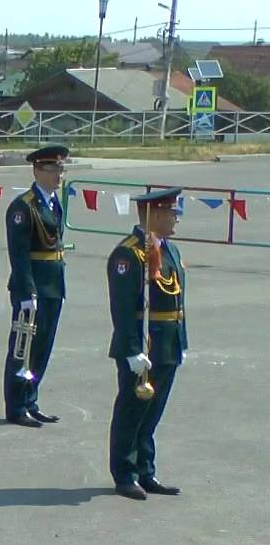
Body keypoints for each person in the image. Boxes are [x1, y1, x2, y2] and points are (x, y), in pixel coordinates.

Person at [106, 188, 187, 500]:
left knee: (152, 414)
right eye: (171, 212)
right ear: (154, 214)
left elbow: (177, 300)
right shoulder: (129, 254)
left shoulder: (170, 250)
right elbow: (123, 308)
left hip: (168, 344)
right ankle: (125, 473)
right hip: (144, 345)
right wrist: (131, 351)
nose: (176, 217)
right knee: (132, 411)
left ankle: (145, 470)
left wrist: (182, 340)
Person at [4, 145, 70, 426]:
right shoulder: (24, 206)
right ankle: (16, 406)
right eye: (53, 169)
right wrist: (28, 291)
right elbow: (19, 254)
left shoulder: (54, 202)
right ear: (37, 171)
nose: (59, 174)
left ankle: (31, 400)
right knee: (23, 349)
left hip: (53, 286)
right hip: (31, 288)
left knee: (42, 347)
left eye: (61, 169)